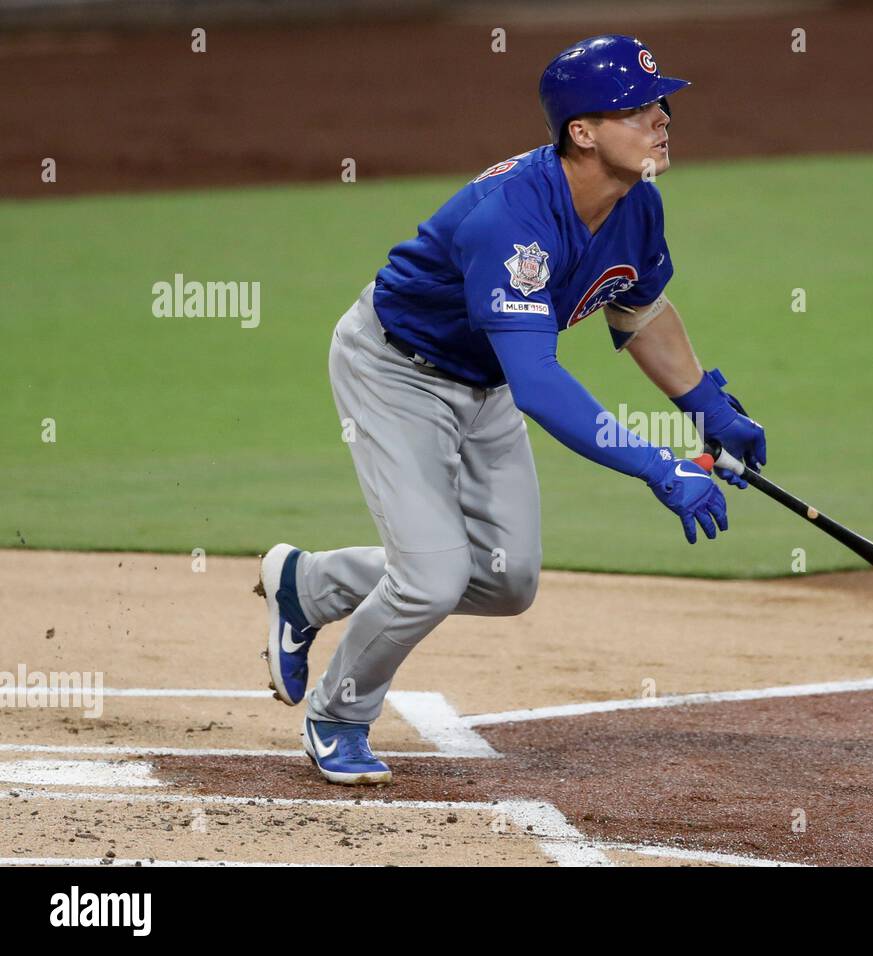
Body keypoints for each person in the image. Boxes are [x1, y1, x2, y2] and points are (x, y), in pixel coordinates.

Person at [255, 34, 766, 784]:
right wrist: (657, 465)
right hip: (396, 371)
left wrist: (705, 406)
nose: (661, 118)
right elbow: (541, 384)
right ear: (582, 132)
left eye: (661, 103)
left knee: (505, 578)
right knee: (430, 577)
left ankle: (309, 585)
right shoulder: (511, 222)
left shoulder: (637, 203)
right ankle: (339, 715)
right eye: (636, 108)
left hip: (483, 382)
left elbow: (641, 308)